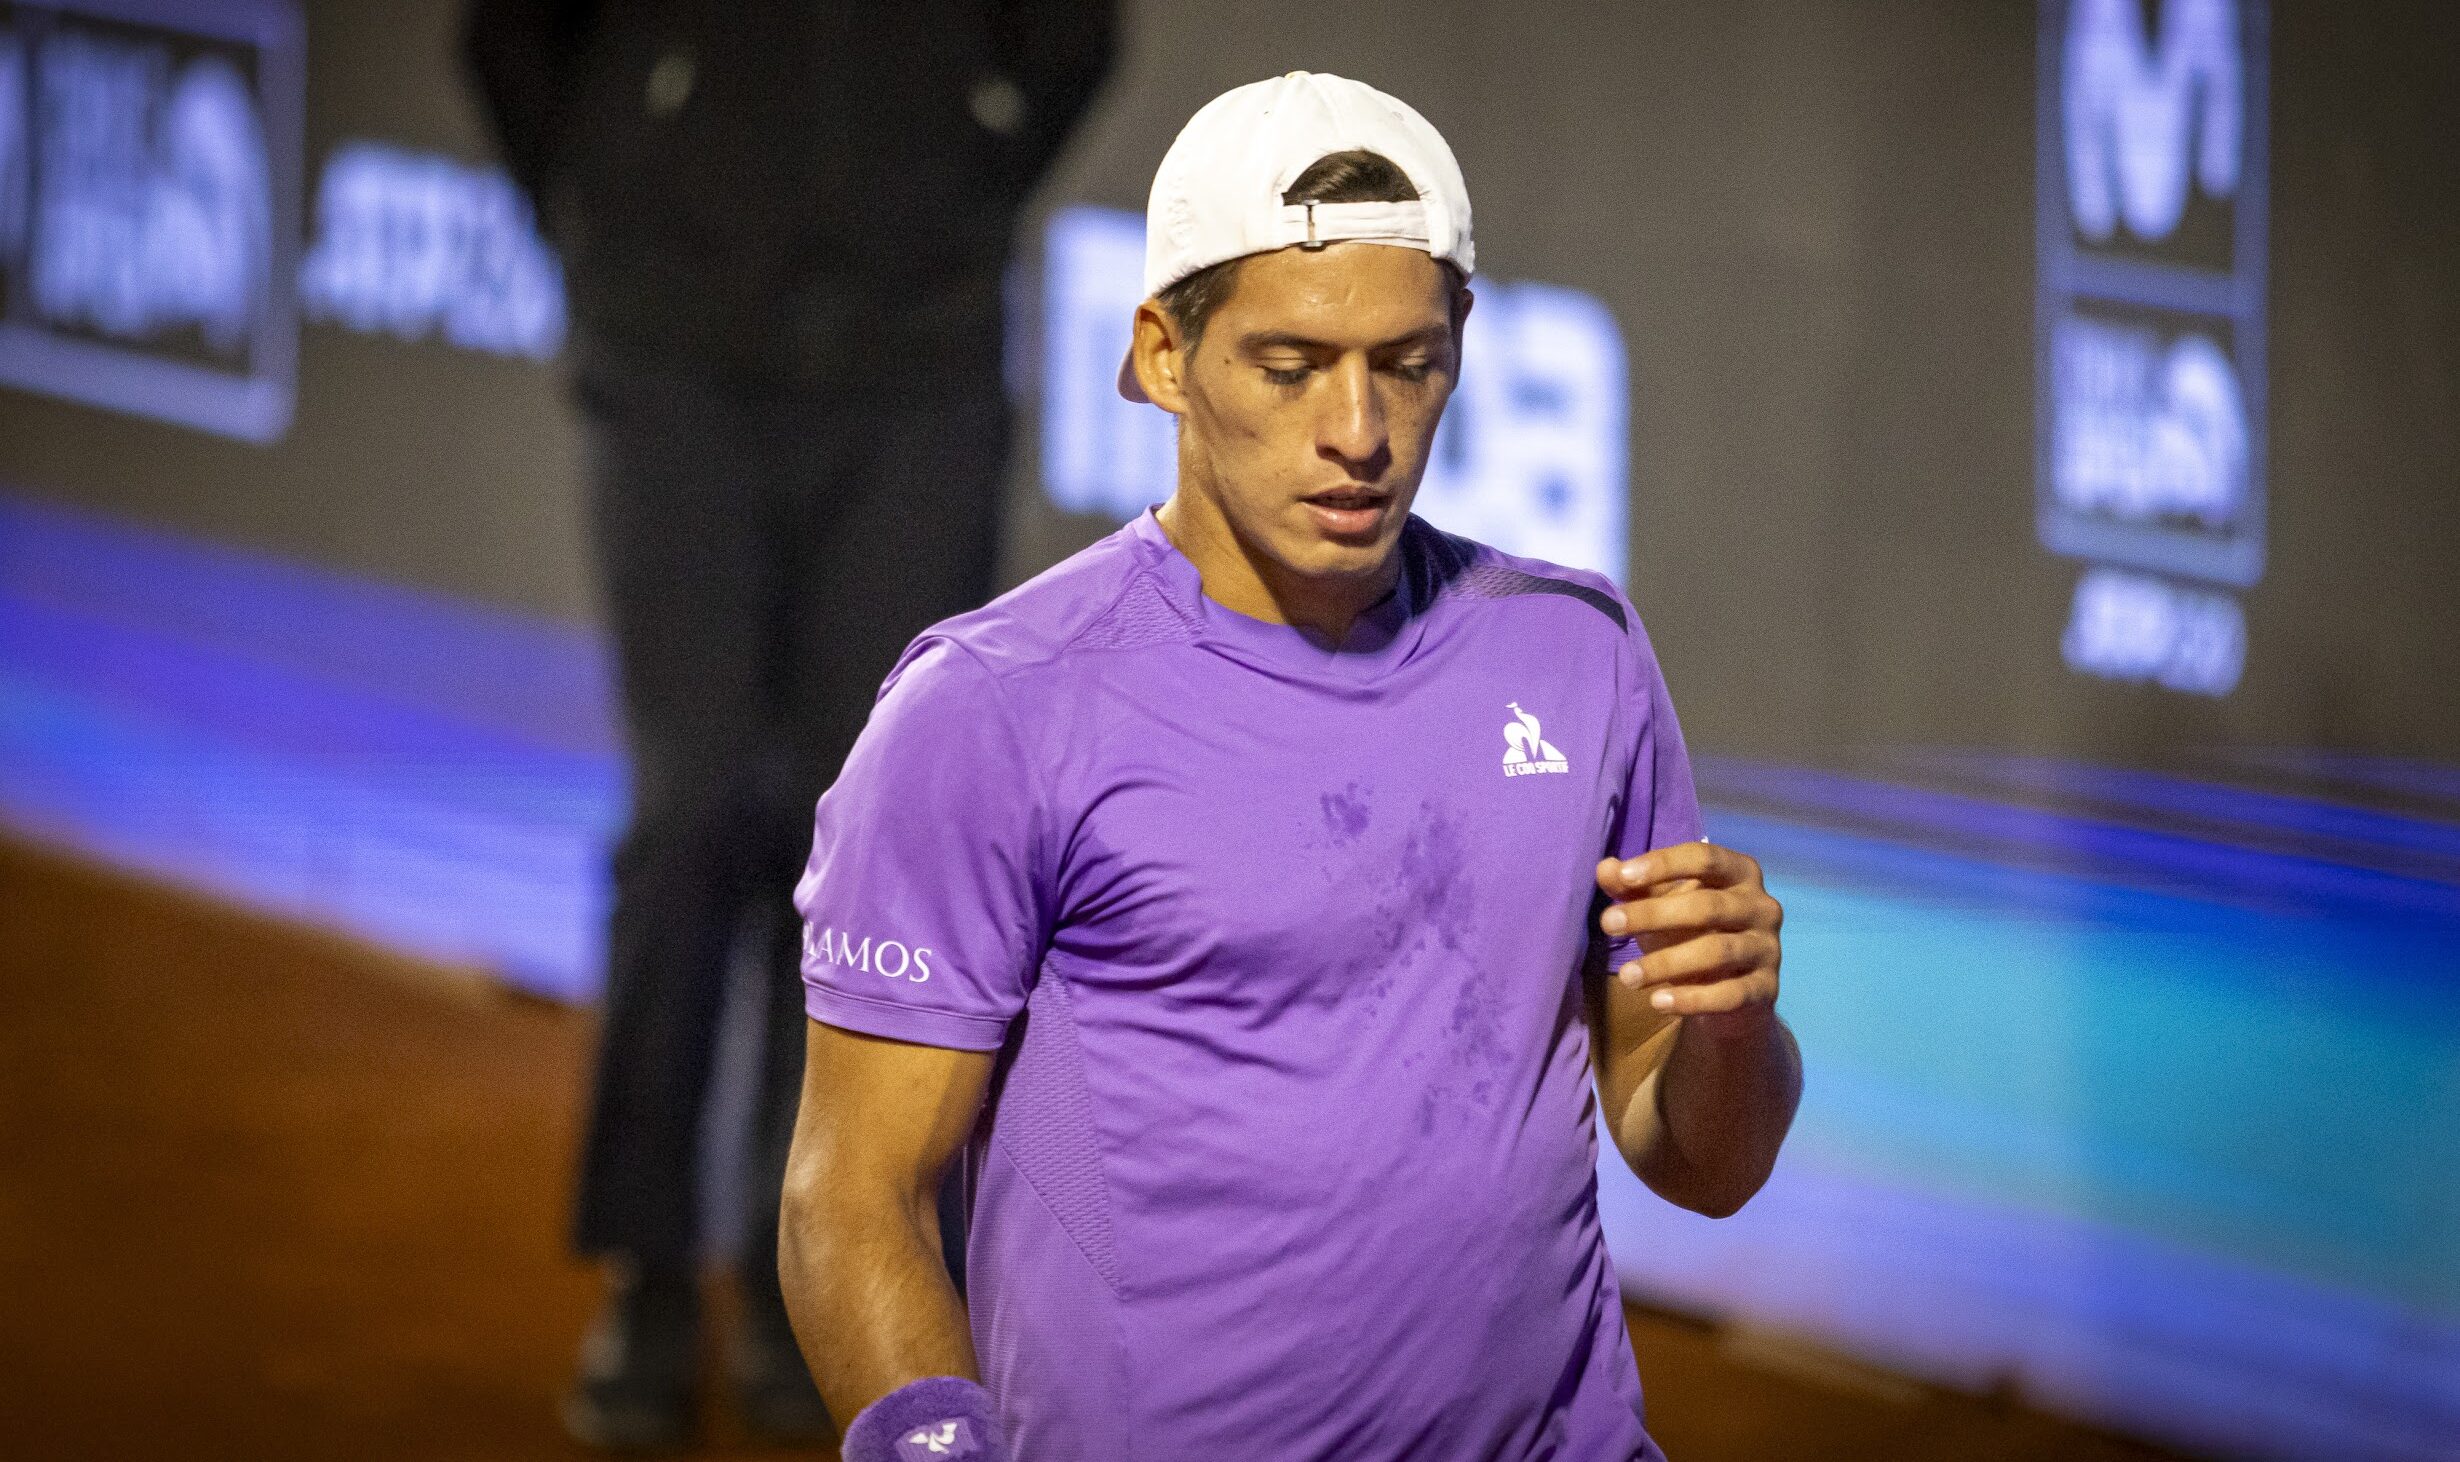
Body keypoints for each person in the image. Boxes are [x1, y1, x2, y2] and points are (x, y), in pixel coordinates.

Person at [779, 71, 1801, 1462]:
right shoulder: (995, 711)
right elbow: (853, 1196)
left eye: (1406, 360)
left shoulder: (1579, 656)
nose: (1361, 432)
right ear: (1158, 354)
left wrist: (1738, 1029)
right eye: (1291, 366)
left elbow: (1698, 1158)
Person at [457, 1, 1115, 1448]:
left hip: (916, 364)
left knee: (862, 837)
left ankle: (788, 1262)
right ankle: (644, 1267)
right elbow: (508, 34)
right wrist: (615, 205)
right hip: (676, 347)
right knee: (688, 812)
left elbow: (1074, 33)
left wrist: (952, 175)